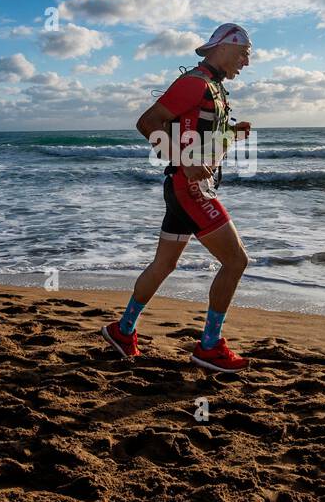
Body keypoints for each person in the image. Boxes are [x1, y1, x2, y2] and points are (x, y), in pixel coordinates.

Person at [102, 22, 254, 372]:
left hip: (184, 186)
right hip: (189, 189)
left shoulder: (213, 87)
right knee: (236, 261)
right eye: (244, 54)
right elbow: (147, 122)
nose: (246, 62)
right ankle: (210, 346)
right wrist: (185, 163)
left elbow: (196, 135)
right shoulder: (194, 84)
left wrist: (230, 133)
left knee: (164, 264)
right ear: (225, 48)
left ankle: (123, 331)